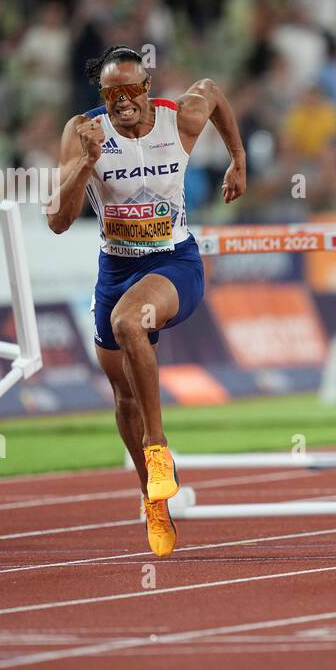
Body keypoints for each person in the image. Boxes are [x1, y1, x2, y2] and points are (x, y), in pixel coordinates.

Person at [47, 45, 246, 557]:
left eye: (132, 91)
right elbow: (58, 219)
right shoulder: (83, 131)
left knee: (128, 323)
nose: (123, 103)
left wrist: (237, 160)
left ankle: (159, 451)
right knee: (124, 395)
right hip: (115, 267)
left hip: (174, 263)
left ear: (147, 87)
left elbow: (215, 92)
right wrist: (85, 164)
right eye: (112, 94)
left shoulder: (178, 120)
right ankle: (152, 501)